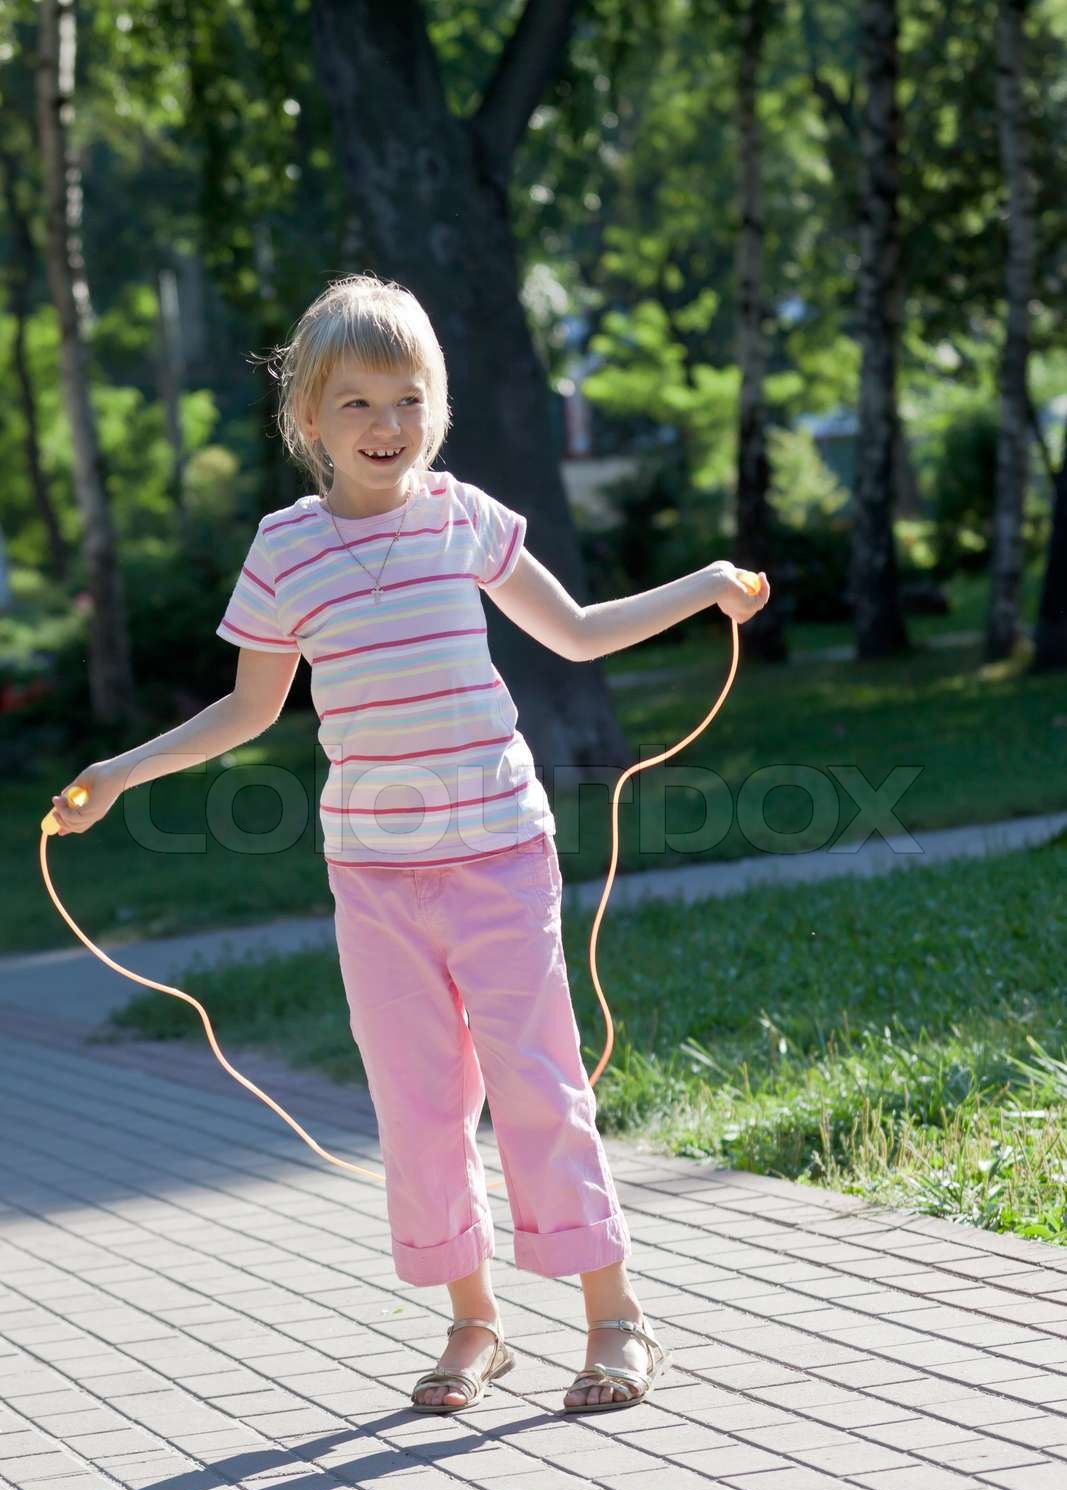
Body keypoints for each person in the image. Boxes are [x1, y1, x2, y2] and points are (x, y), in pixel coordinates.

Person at [48, 271, 770, 1415]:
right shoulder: (285, 552)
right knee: (418, 1106)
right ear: (307, 423)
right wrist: (120, 773)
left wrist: (704, 585)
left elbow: (575, 634)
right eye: (357, 405)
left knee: (537, 1086)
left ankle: (615, 1314)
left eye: (408, 399)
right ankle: (473, 1323)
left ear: (436, 407)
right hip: (375, 880)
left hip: (497, 855)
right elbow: (246, 712)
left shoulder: (462, 517)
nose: (387, 426)